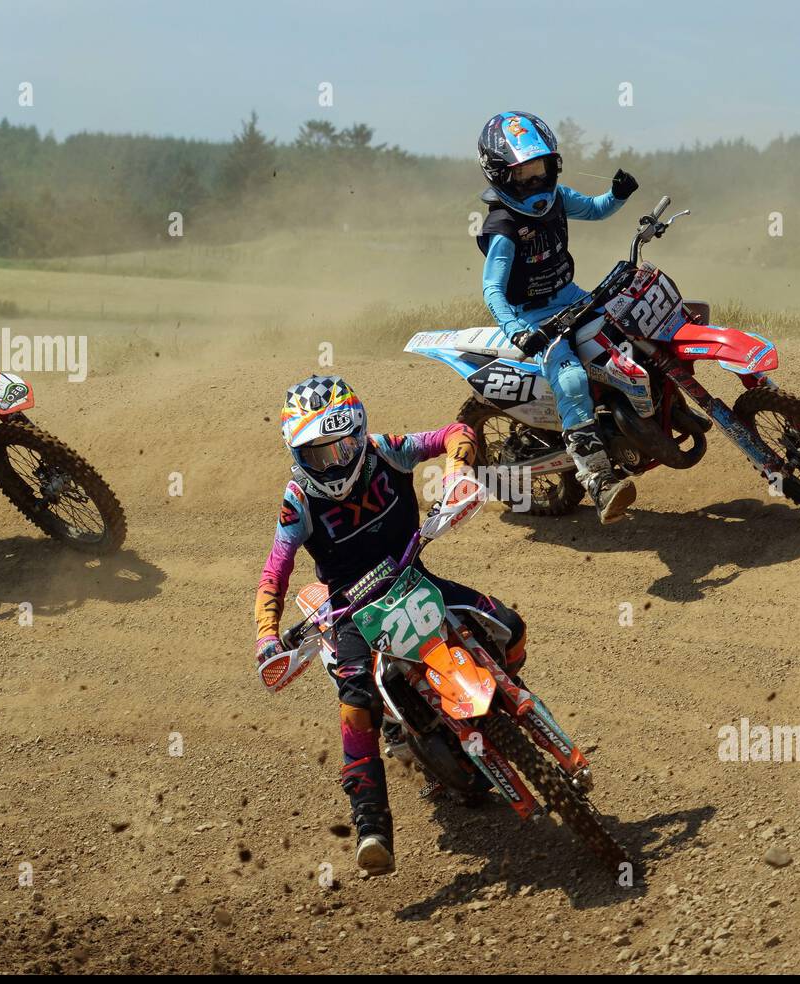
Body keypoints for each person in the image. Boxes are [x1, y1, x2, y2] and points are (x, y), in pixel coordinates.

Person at [254, 375, 526, 875]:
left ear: (359, 435)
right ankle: (372, 827)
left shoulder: (387, 451)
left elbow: (456, 431)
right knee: (355, 707)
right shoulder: (298, 500)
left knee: (508, 625)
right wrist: (267, 637)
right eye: (316, 456)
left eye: (340, 448)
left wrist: (457, 476)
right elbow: (275, 572)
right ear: (297, 455)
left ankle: (511, 709)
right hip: (352, 612)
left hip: (412, 576)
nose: (333, 463)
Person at [476, 110, 639, 524]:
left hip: (569, 295)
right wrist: (517, 330)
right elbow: (492, 288)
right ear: (499, 175)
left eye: (541, 169)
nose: (535, 182)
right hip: (532, 317)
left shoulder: (560, 198)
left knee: (628, 326)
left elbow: (597, 209)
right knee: (570, 378)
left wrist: (618, 195)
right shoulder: (503, 226)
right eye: (523, 175)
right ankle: (599, 483)